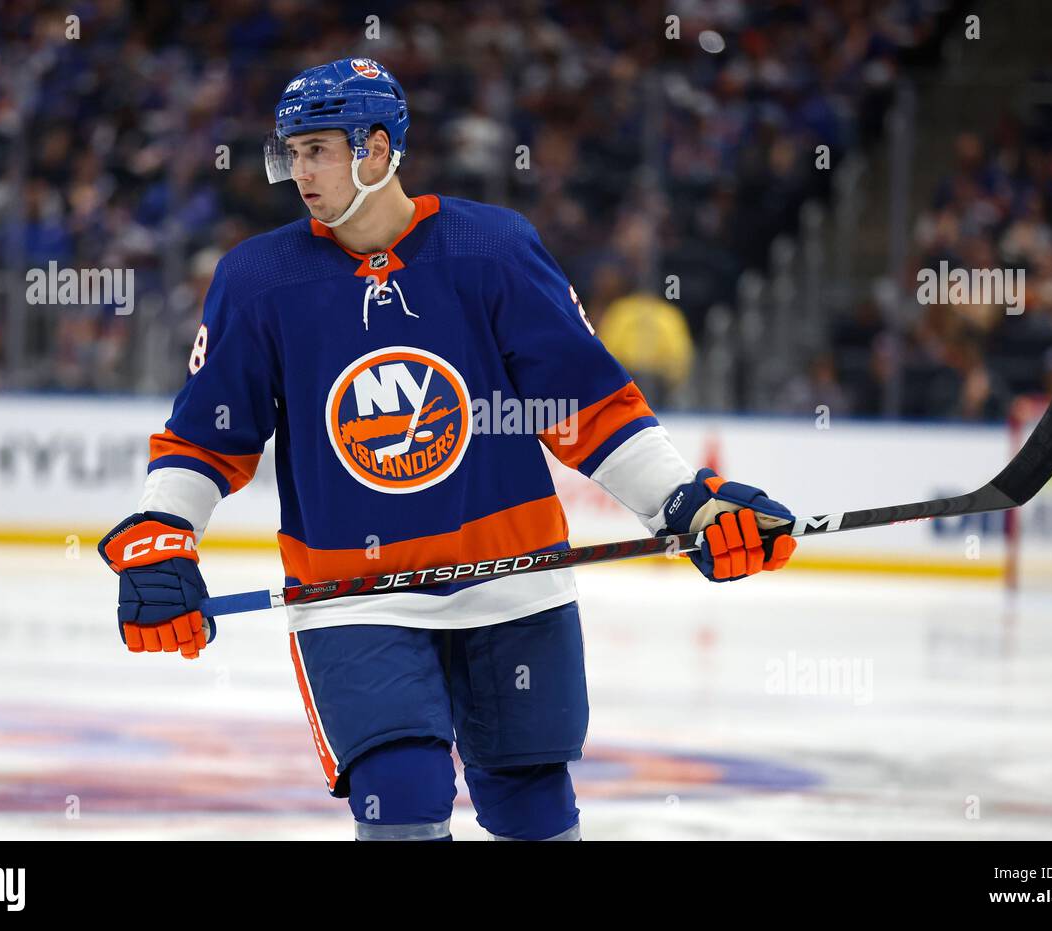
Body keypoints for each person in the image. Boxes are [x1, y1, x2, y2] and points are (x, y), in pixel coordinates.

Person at [97, 57, 798, 841]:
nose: (300, 171)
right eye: (290, 153)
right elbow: (207, 435)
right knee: (399, 793)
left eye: (318, 150)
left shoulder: (491, 249)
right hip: (354, 592)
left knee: (532, 806)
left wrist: (688, 501)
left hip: (514, 581)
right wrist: (164, 532)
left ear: (377, 148)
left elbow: (589, 409)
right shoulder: (259, 278)